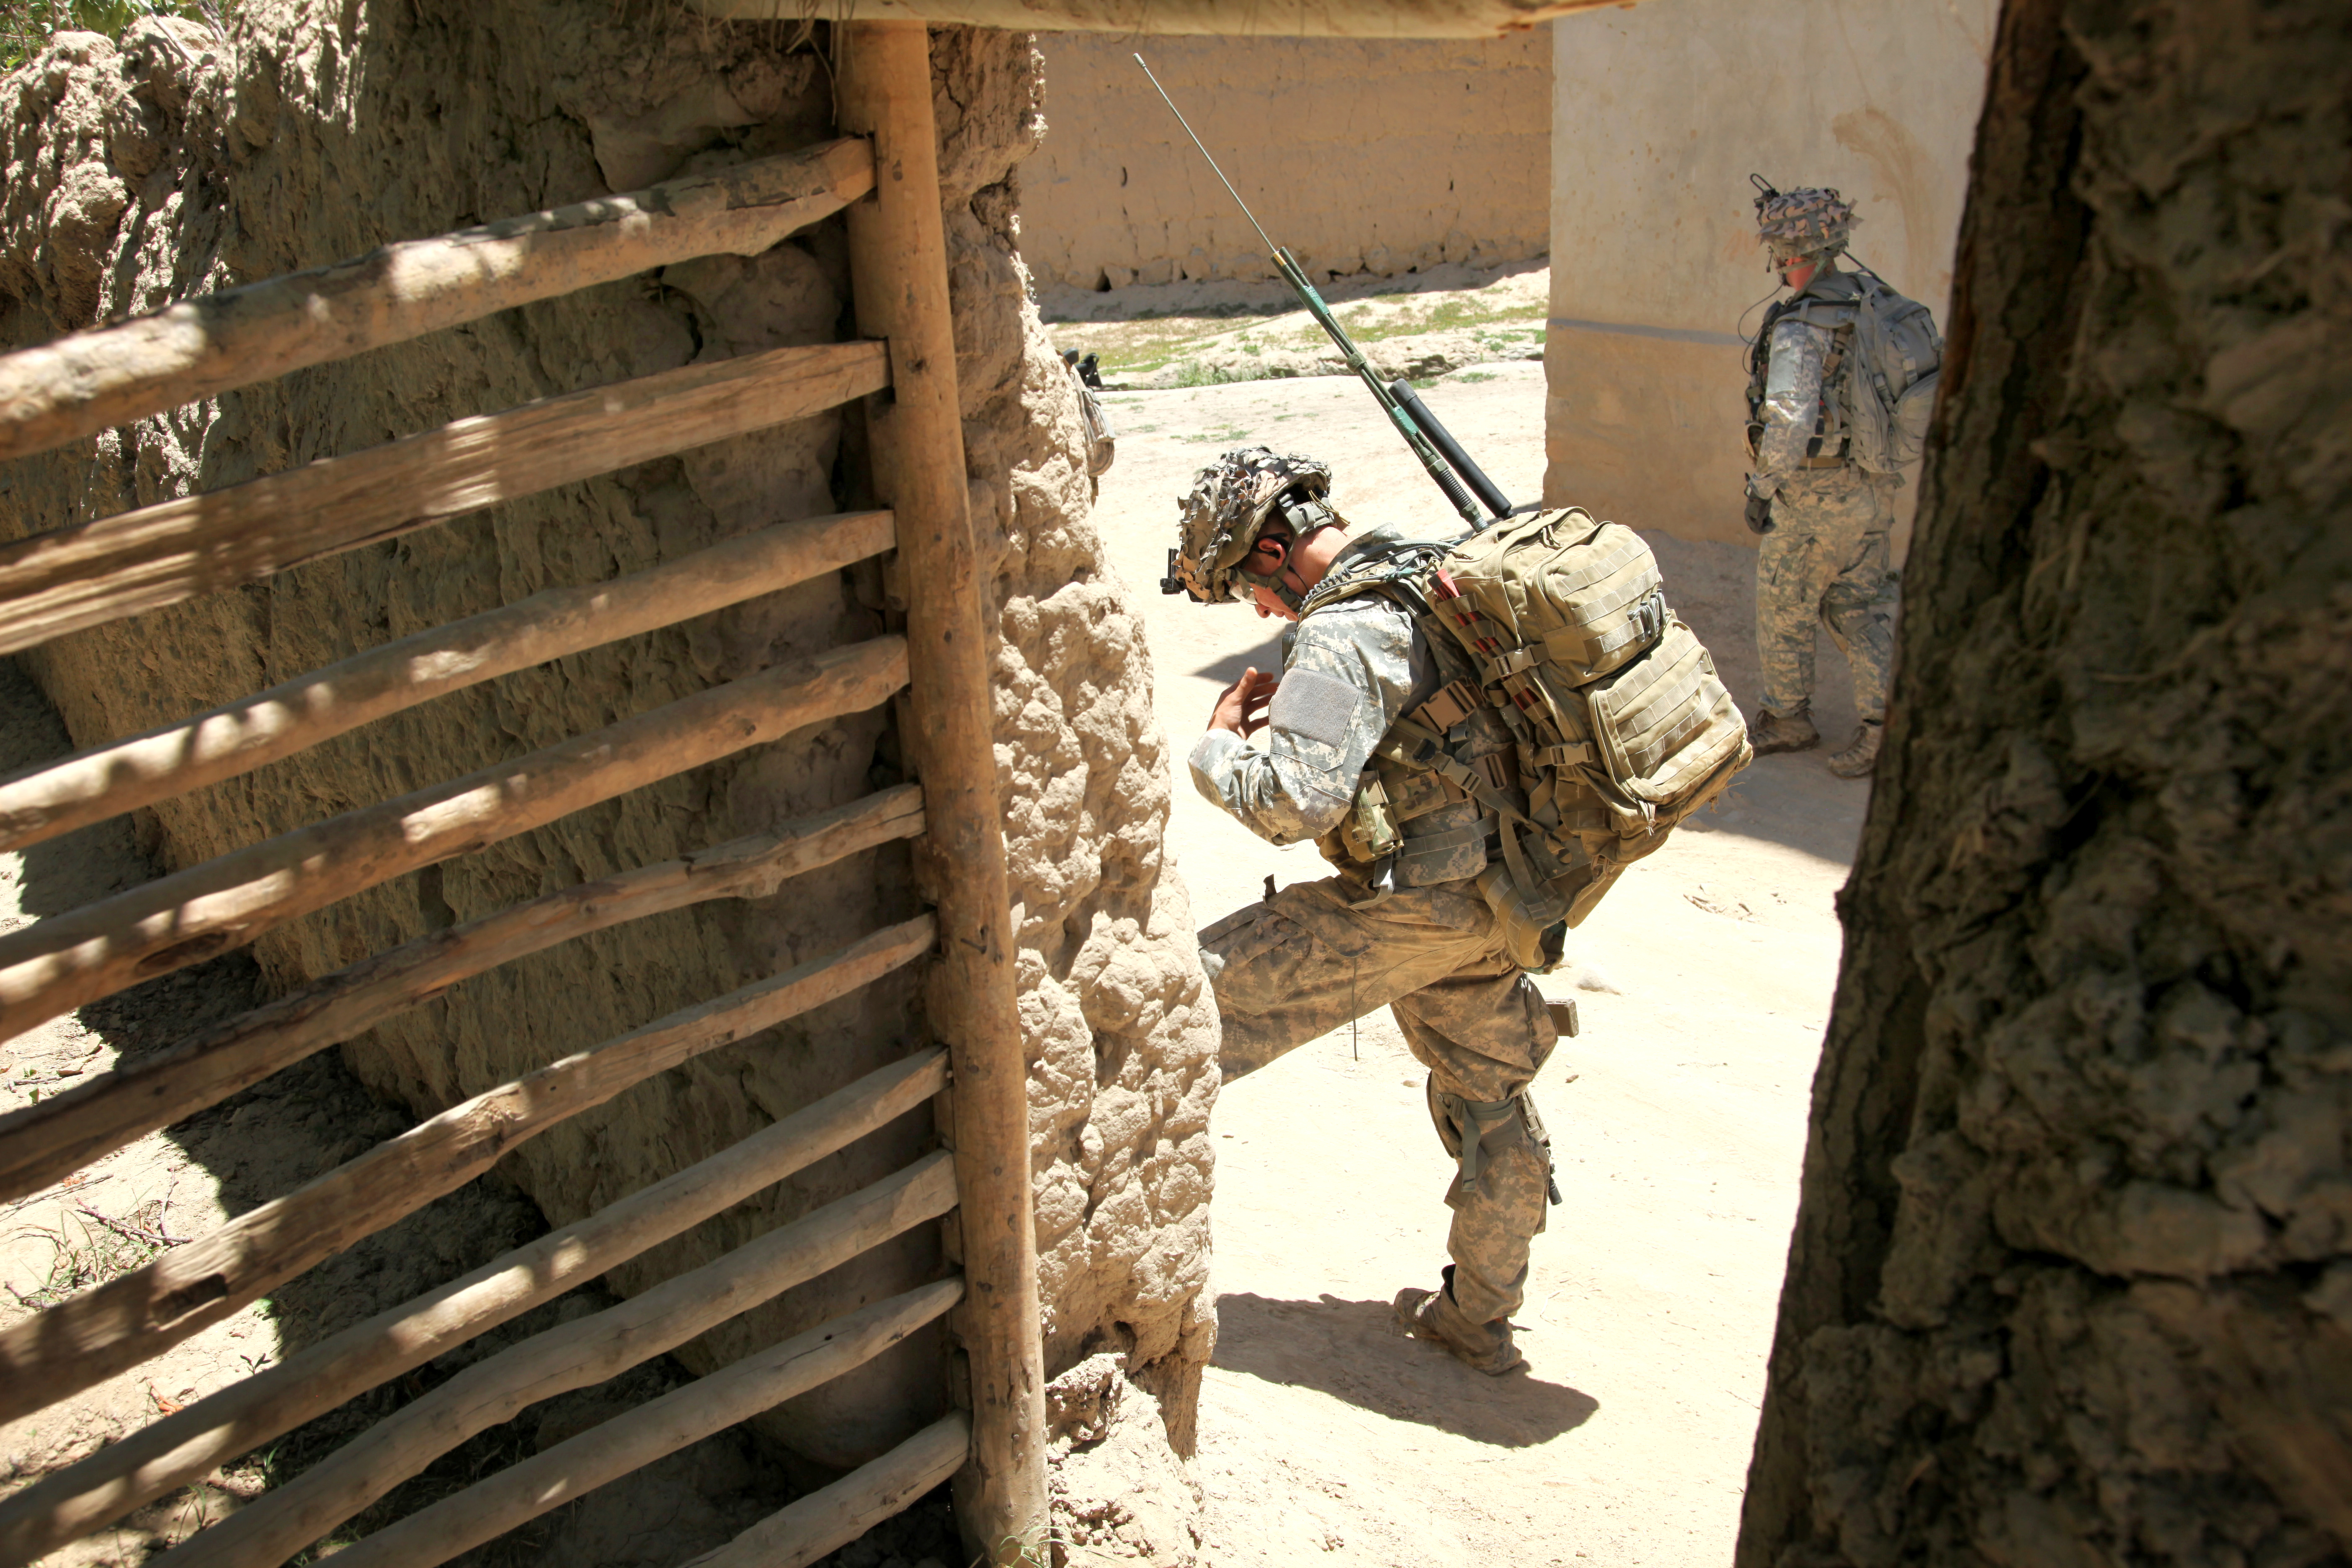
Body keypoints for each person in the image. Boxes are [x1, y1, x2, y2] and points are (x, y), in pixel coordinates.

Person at [1165, 447, 1563, 1377]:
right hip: (1500, 895)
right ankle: (1479, 1319)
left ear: (1272, 551)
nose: (1260, 616)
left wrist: (1219, 746)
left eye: (1247, 593)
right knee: (1492, 1098)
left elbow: (1293, 804)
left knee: (1172, 1017)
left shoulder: (1344, 628)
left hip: (1409, 912)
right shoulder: (1431, 568)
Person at [1741, 184, 1930, 779]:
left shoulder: (1804, 325)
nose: (1777, 263)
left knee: (1784, 603)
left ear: (1798, 252)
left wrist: (1763, 488)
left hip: (1814, 494)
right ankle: (1884, 727)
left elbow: (1790, 419)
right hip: (1873, 486)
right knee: (1862, 604)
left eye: (1780, 251)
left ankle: (1789, 717)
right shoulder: (1874, 301)